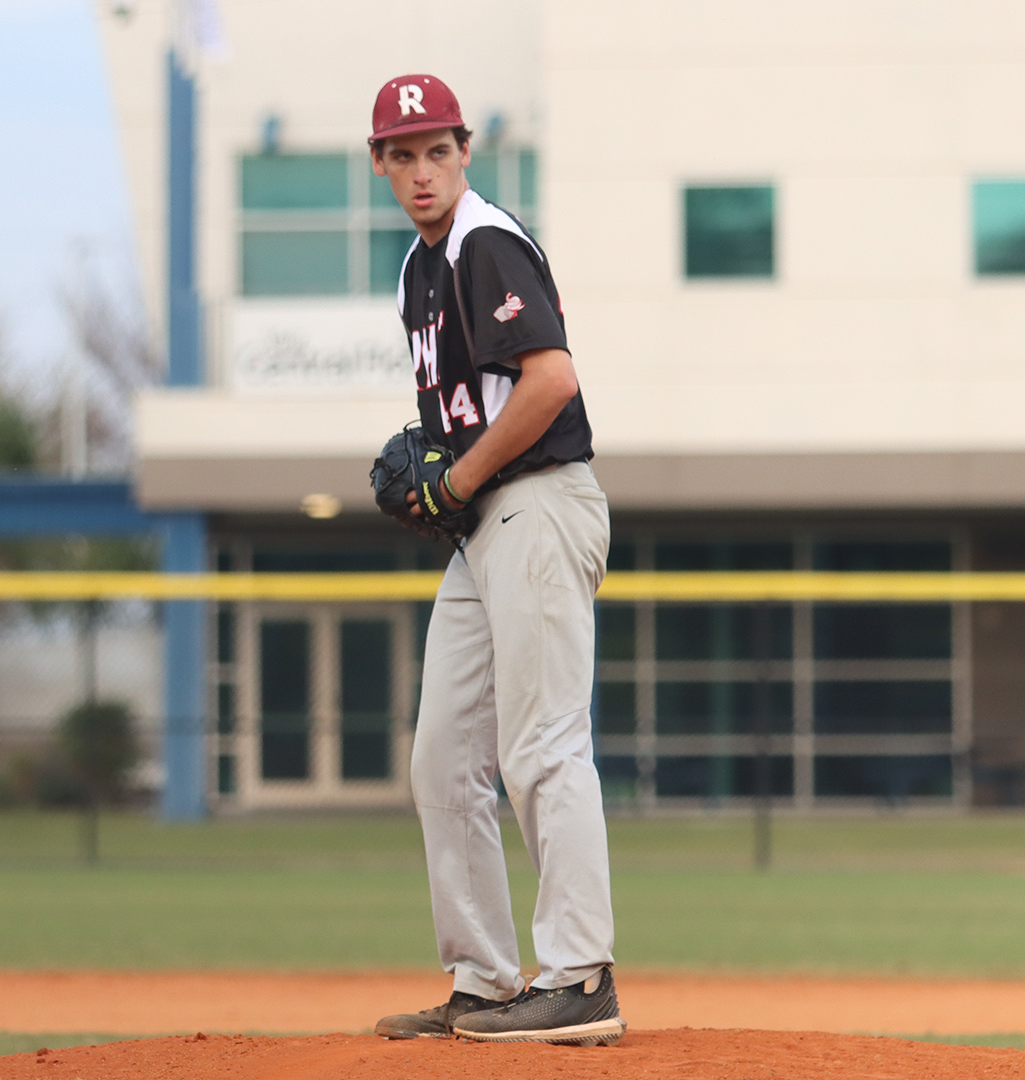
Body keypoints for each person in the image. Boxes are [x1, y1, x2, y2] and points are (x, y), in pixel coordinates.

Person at [363, 74, 623, 1047]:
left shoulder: (483, 242)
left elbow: (551, 379)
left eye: (438, 149)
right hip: (488, 527)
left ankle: (581, 977)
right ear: (381, 166)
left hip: (540, 501)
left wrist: (459, 474)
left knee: (543, 744)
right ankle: (481, 982)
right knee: (441, 760)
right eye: (403, 153)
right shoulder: (416, 271)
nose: (423, 170)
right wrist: (450, 476)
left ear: (464, 152)